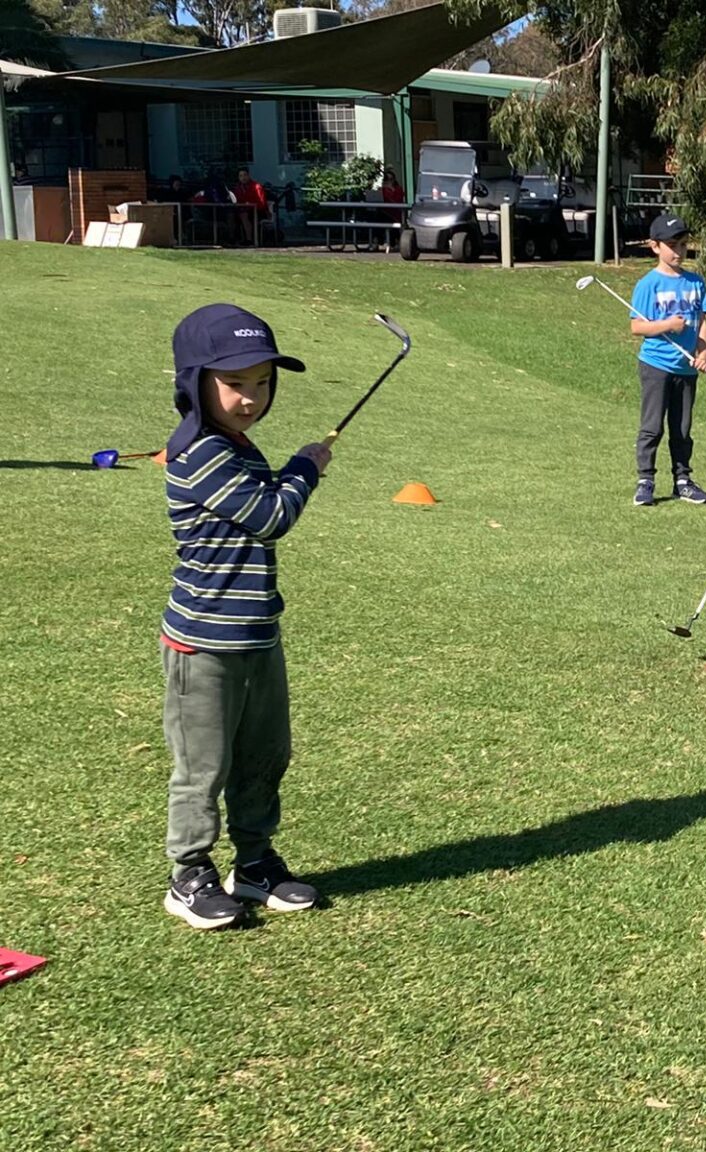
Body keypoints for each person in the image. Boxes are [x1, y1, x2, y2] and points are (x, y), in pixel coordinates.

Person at [158, 304, 333, 930]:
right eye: (235, 383)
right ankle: (190, 873)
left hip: (258, 634)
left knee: (264, 754)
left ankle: (255, 863)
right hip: (202, 643)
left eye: (262, 383)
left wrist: (290, 468)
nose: (250, 398)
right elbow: (270, 517)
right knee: (204, 764)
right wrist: (305, 469)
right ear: (195, 381)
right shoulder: (199, 451)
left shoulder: (237, 446)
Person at [629, 212, 706, 507]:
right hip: (656, 365)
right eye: (672, 245)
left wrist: (703, 353)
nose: (679, 251)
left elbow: (702, 321)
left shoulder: (695, 283)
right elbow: (637, 326)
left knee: (682, 428)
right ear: (655, 247)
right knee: (653, 426)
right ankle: (645, 481)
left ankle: (682, 480)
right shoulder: (647, 285)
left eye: (683, 244)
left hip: (686, 367)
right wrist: (667, 326)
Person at [231, 167, 269, 245]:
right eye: (241, 176)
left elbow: (262, 203)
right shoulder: (238, 188)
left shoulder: (256, 186)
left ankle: (249, 240)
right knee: (231, 215)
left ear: (248, 176)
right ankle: (233, 238)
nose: (243, 178)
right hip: (243, 210)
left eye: (245, 175)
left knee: (244, 215)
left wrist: (249, 204)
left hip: (259, 211)